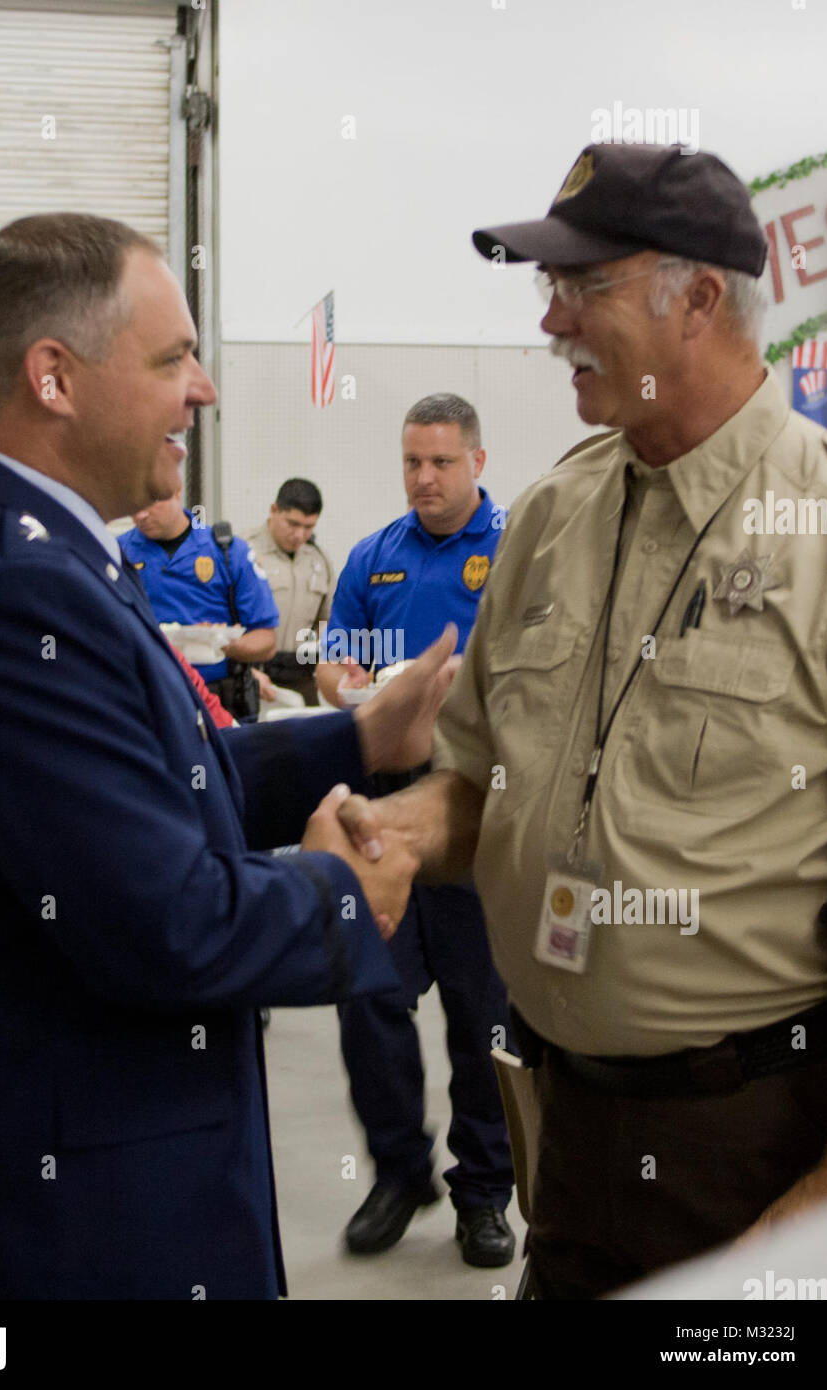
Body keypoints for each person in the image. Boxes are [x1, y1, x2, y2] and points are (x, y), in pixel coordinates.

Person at [0, 212, 460, 1300]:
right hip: (79, 1233)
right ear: (54, 377)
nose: (205, 390)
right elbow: (164, 920)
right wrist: (341, 888)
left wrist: (362, 737)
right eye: (174, 358)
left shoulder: (11, 541)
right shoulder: (9, 590)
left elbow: (157, 781)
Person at [335, 143, 827, 1299]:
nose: (552, 318)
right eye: (545, 288)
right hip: (566, 1136)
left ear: (703, 297)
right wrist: (404, 834)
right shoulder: (556, 514)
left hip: (759, 1158)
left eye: (585, 286)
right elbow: (481, 776)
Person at [316, 393, 515, 1267]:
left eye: (440, 461)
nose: (423, 478)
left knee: (484, 1018)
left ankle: (484, 1194)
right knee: (370, 997)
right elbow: (331, 663)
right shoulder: (371, 555)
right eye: (410, 462)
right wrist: (340, 678)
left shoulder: (517, 550)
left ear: (477, 460)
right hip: (386, 812)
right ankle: (400, 1172)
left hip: (480, 812)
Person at [119, 486, 279, 716]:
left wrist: (220, 643)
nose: (141, 515)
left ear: (176, 491)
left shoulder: (228, 551)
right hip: (146, 697)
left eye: (151, 502)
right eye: (134, 505)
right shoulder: (118, 553)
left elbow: (266, 642)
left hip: (219, 699)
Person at [245, 478, 334, 706]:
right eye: (292, 524)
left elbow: (326, 620)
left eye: (308, 527)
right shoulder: (243, 552)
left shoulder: (318, 559)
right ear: (274, 510)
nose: (299, 535)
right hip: (253, 673)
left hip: (301, 673)